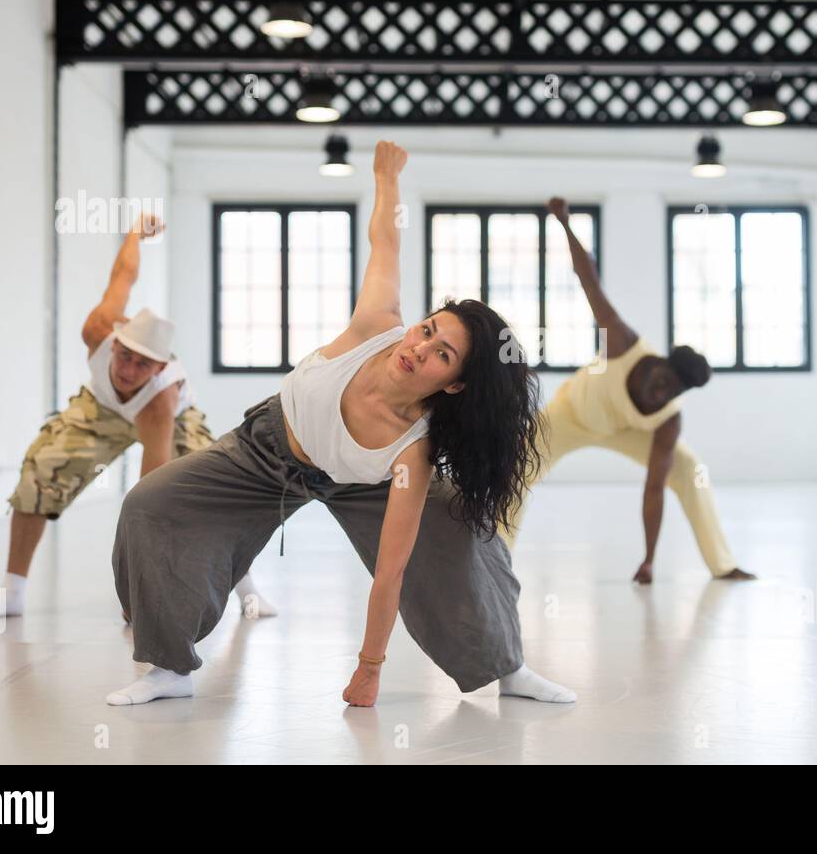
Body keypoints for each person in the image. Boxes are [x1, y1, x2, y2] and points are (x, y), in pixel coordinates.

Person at [106, 141, 575, 707]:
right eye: (428, 330)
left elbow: (390, 572)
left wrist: (370, 668)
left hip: (365, 480)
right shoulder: (376, 324)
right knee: (151, 503)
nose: (420, 348)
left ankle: (508, 667)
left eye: (443, 355)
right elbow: (387, 240)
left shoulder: (413, 453)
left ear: (454, 384)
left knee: (462, 537)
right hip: (267, 451)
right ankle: (168, 668)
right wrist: (386, 177)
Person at [0, 215, 273, 620]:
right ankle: (11, 593)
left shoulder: (161, 400)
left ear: (159, 370)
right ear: (116, 342)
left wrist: (138, 592)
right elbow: (123, 274)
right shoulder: (98, 330)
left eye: (142, 365)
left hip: (173, 420)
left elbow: (150, 496)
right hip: (101, 406)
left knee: (216, 497)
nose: (127, 370)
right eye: (124, 356)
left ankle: (247, 591)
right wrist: (134, 234)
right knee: (40, 470)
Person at [499, 197, 755, 585]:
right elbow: (588, 280)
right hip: (570, 415)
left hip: (626, 430)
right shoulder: (620, 340)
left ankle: (723, 564)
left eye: (673, 393)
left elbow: (655, 488)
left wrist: (649, 559)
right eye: (663, 382)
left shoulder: (668, 421)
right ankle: (498, 560)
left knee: (690, 470)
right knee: (516, 467)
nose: (661, 394)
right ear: (660, 363)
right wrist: (565, 224)